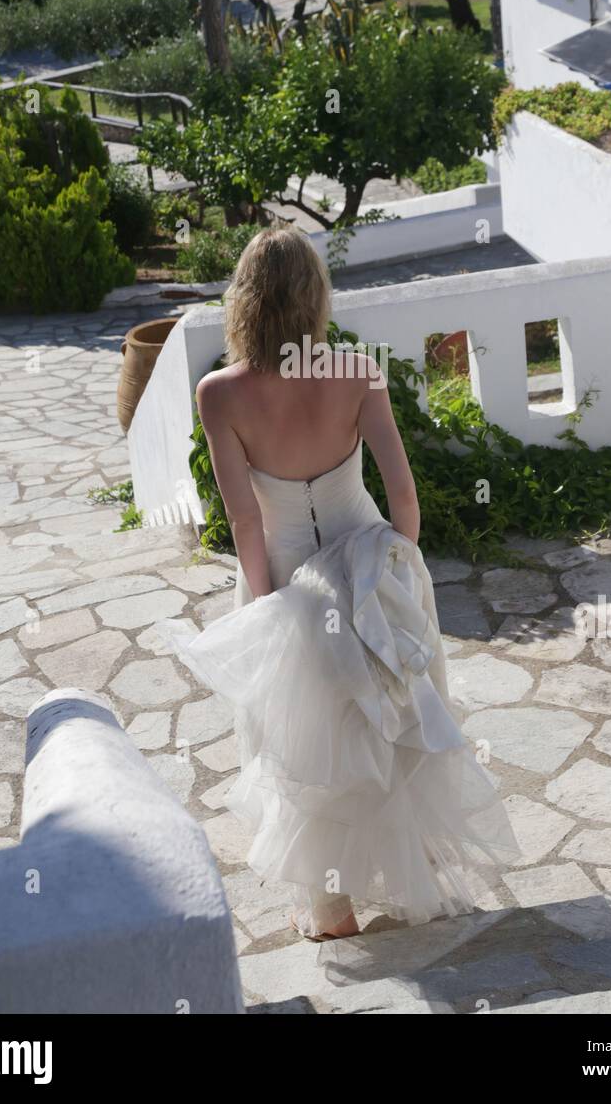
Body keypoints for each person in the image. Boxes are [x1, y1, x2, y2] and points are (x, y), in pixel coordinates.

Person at [165, 227, 520, 941]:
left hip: (287, 587)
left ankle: (333, 912)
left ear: (245, 300)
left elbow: (242, 522)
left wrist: (271, 615)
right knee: (396, 726)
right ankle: (413, 874)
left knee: (309, 751)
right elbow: (402, 490)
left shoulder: (220, 395)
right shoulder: (360, 373)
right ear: (316, 299)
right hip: (371, 572)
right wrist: (399, 568)